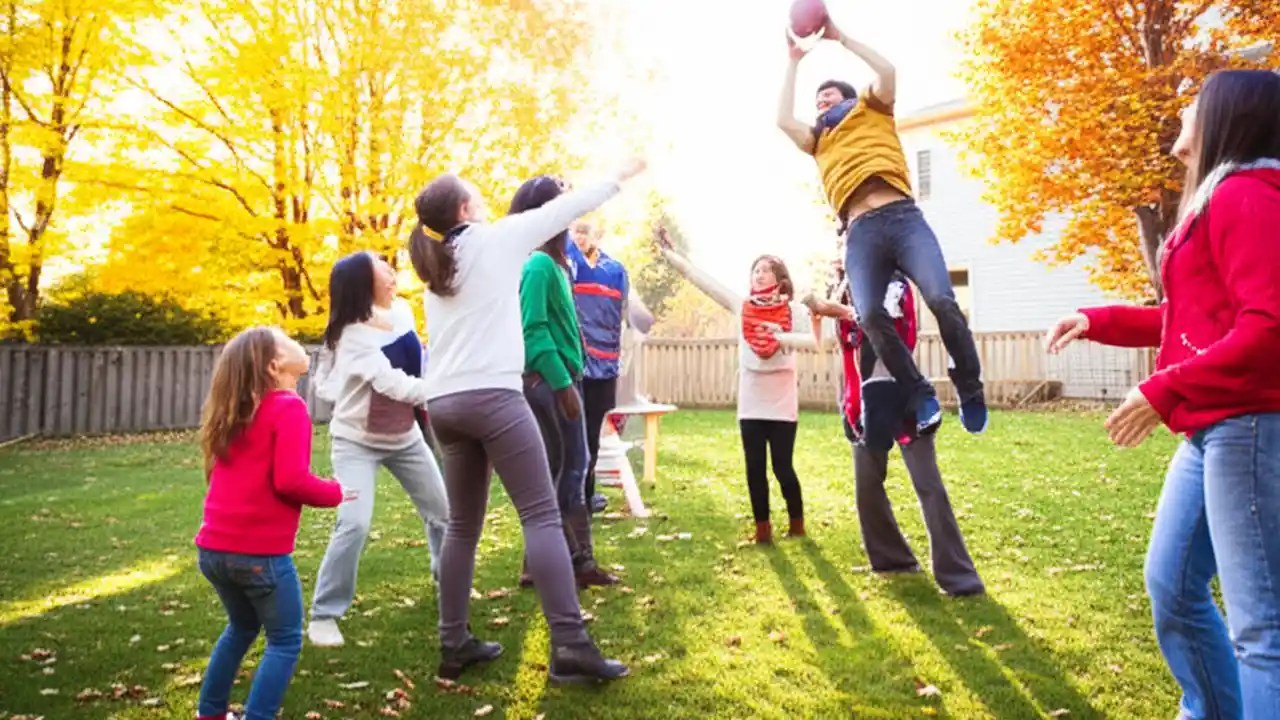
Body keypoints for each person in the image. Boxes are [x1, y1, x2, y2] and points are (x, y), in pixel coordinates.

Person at [1046, 70, 1280, 720]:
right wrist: (1098, 319)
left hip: (1250, 426)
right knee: (1172, 585)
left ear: (1228, 118)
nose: (1182, 112)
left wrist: (1163, 388)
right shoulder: (1220, 197)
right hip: (1215, 428)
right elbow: (1190, 322)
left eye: (1195, 103)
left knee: (1262, 628)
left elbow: (1269, 329)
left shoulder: (1246, 196)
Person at [407, 158, 645, 683]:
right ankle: (570, 646)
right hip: (492, 396)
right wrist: (619, 173)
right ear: (465, 208)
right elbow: (567, 207)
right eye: (475, 195)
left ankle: (454, 644)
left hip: (444, 406)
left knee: (463, 527)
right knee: (540, 514)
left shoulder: (437, 266)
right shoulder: (496, 241)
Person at [777, 15, 986, 436]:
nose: (822, 103)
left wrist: (840, 38)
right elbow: (783, 120)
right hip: (861, 232)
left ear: (849, 98)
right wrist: (793, 61)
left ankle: (968, 385)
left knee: (942, 299)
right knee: (870, 313)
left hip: (904, 220)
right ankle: (919, 391)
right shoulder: (819, 140)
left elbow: (888, 71)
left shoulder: (873, 107)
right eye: (817, 101)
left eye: (829, 95)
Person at [194, 327, 356, 720]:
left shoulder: (234, 413)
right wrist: (336, 492)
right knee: (284, 640)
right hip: (259, 557)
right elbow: (290, 480)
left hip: (213, 551)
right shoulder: (288, 406)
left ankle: (210, 713)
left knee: (241, 628)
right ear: (274, 364)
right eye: (287, 341)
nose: (298, 343)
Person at [804, 261, 984, 597]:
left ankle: (959, 576)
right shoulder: (844, 286)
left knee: (928, 485)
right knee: (867, 487)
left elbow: (893, 332)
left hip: (901, 399)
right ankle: (891, 559)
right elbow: (845, 344)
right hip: (861, 403)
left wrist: (840, 311)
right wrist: (825, 311)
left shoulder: (896, 284)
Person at [306, 251, 449, 648]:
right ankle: (324, 614)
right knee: (354, 523)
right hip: (356, 443)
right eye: (382, 270)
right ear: (362, 285)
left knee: (443, 514)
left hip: (405, 438)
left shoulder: (402, 312)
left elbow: (419, 365)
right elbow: (393, 384)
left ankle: (447, 581)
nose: (391, 274)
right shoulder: (351, 335)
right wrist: (447, 390)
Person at [654, 226, 808, 544]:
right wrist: (670, 254)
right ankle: (762, 529)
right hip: (751, 400)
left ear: (780, 278)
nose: (760, 273)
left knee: (782, 466)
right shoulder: (742, 306)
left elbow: (815, 339)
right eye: (756, 269)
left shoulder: (795, 311)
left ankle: (797, 524)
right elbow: (703, 281)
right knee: (755, 467)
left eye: (767, 269)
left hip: (782, 400)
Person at [512, 176, 618, 588]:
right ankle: (564, 563)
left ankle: (559, 563)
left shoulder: (557, 262)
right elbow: (533, 331)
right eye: (561, 204)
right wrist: (561, 385)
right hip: (548, 383)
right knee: (570, 470)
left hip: (564, 378)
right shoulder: (538, 264)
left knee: (566, 470)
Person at [566, 219, 654, 513]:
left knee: (591, 437)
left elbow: (640, 318)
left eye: (584, 230)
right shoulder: (560, 265)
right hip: (569, 367)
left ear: (596, 235)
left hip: (603, 370)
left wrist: (638, 311)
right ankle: (569, 501)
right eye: (574, 230)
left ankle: (585, 498)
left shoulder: (614, 271)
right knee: (568, 438)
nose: (578, 236)